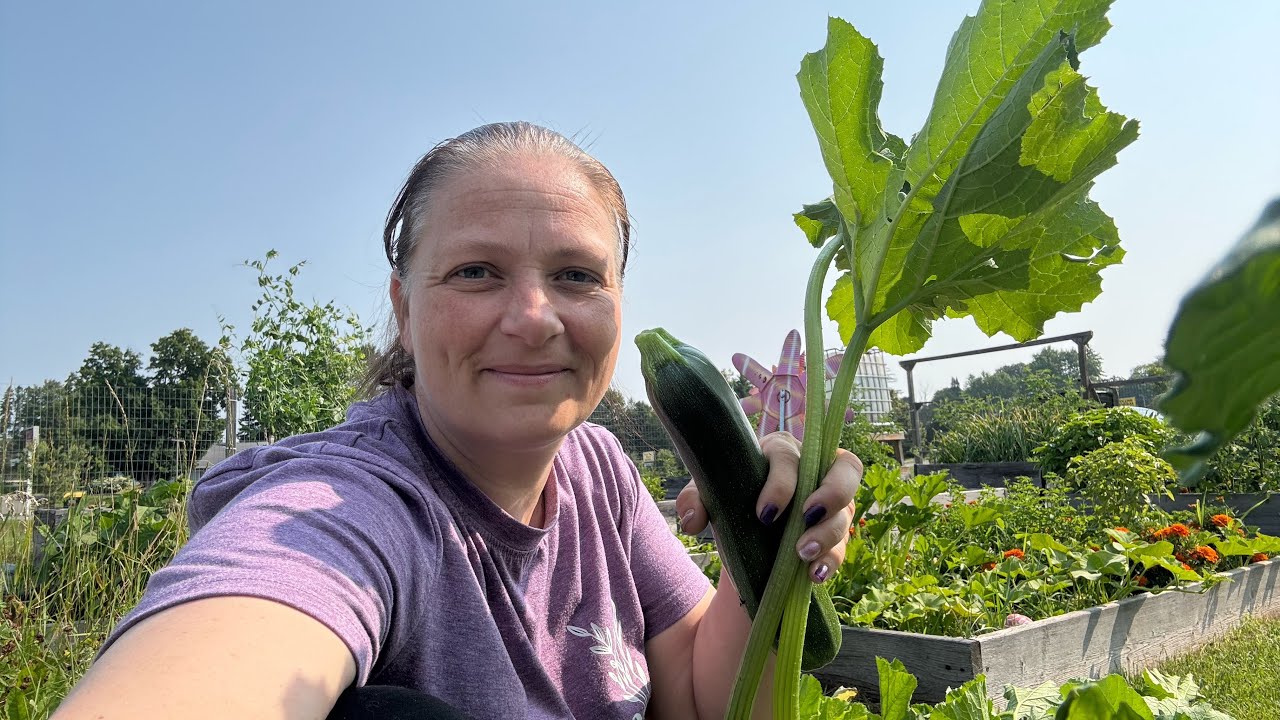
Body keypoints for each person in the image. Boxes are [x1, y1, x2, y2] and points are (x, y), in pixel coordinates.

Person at [52, 122, 861, 720]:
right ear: (404, 310)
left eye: (578, 275)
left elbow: (698, 697)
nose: (535, 317)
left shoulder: (599, 468)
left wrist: (763, 546)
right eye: (476, 272)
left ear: (618, 303)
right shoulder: (350, 506)